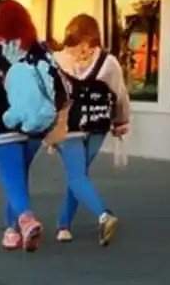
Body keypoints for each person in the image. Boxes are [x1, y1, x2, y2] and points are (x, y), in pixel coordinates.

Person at [0, 0, 68, 252]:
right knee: (18, 176)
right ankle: (11, 231)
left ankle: (25, 219)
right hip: (33, 125)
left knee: (12, 176)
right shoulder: (39, 52)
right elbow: (59, 85)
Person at [52, 14, 130, 246]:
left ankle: (89, 219)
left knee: (78, 176)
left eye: (80, 44)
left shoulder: (57, 62)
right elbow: (120, 95)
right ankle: (72, 222)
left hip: (71, 127)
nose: (77, 50)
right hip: (97, 124)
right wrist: (121, 121)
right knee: (79, 175)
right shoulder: (109, 63)